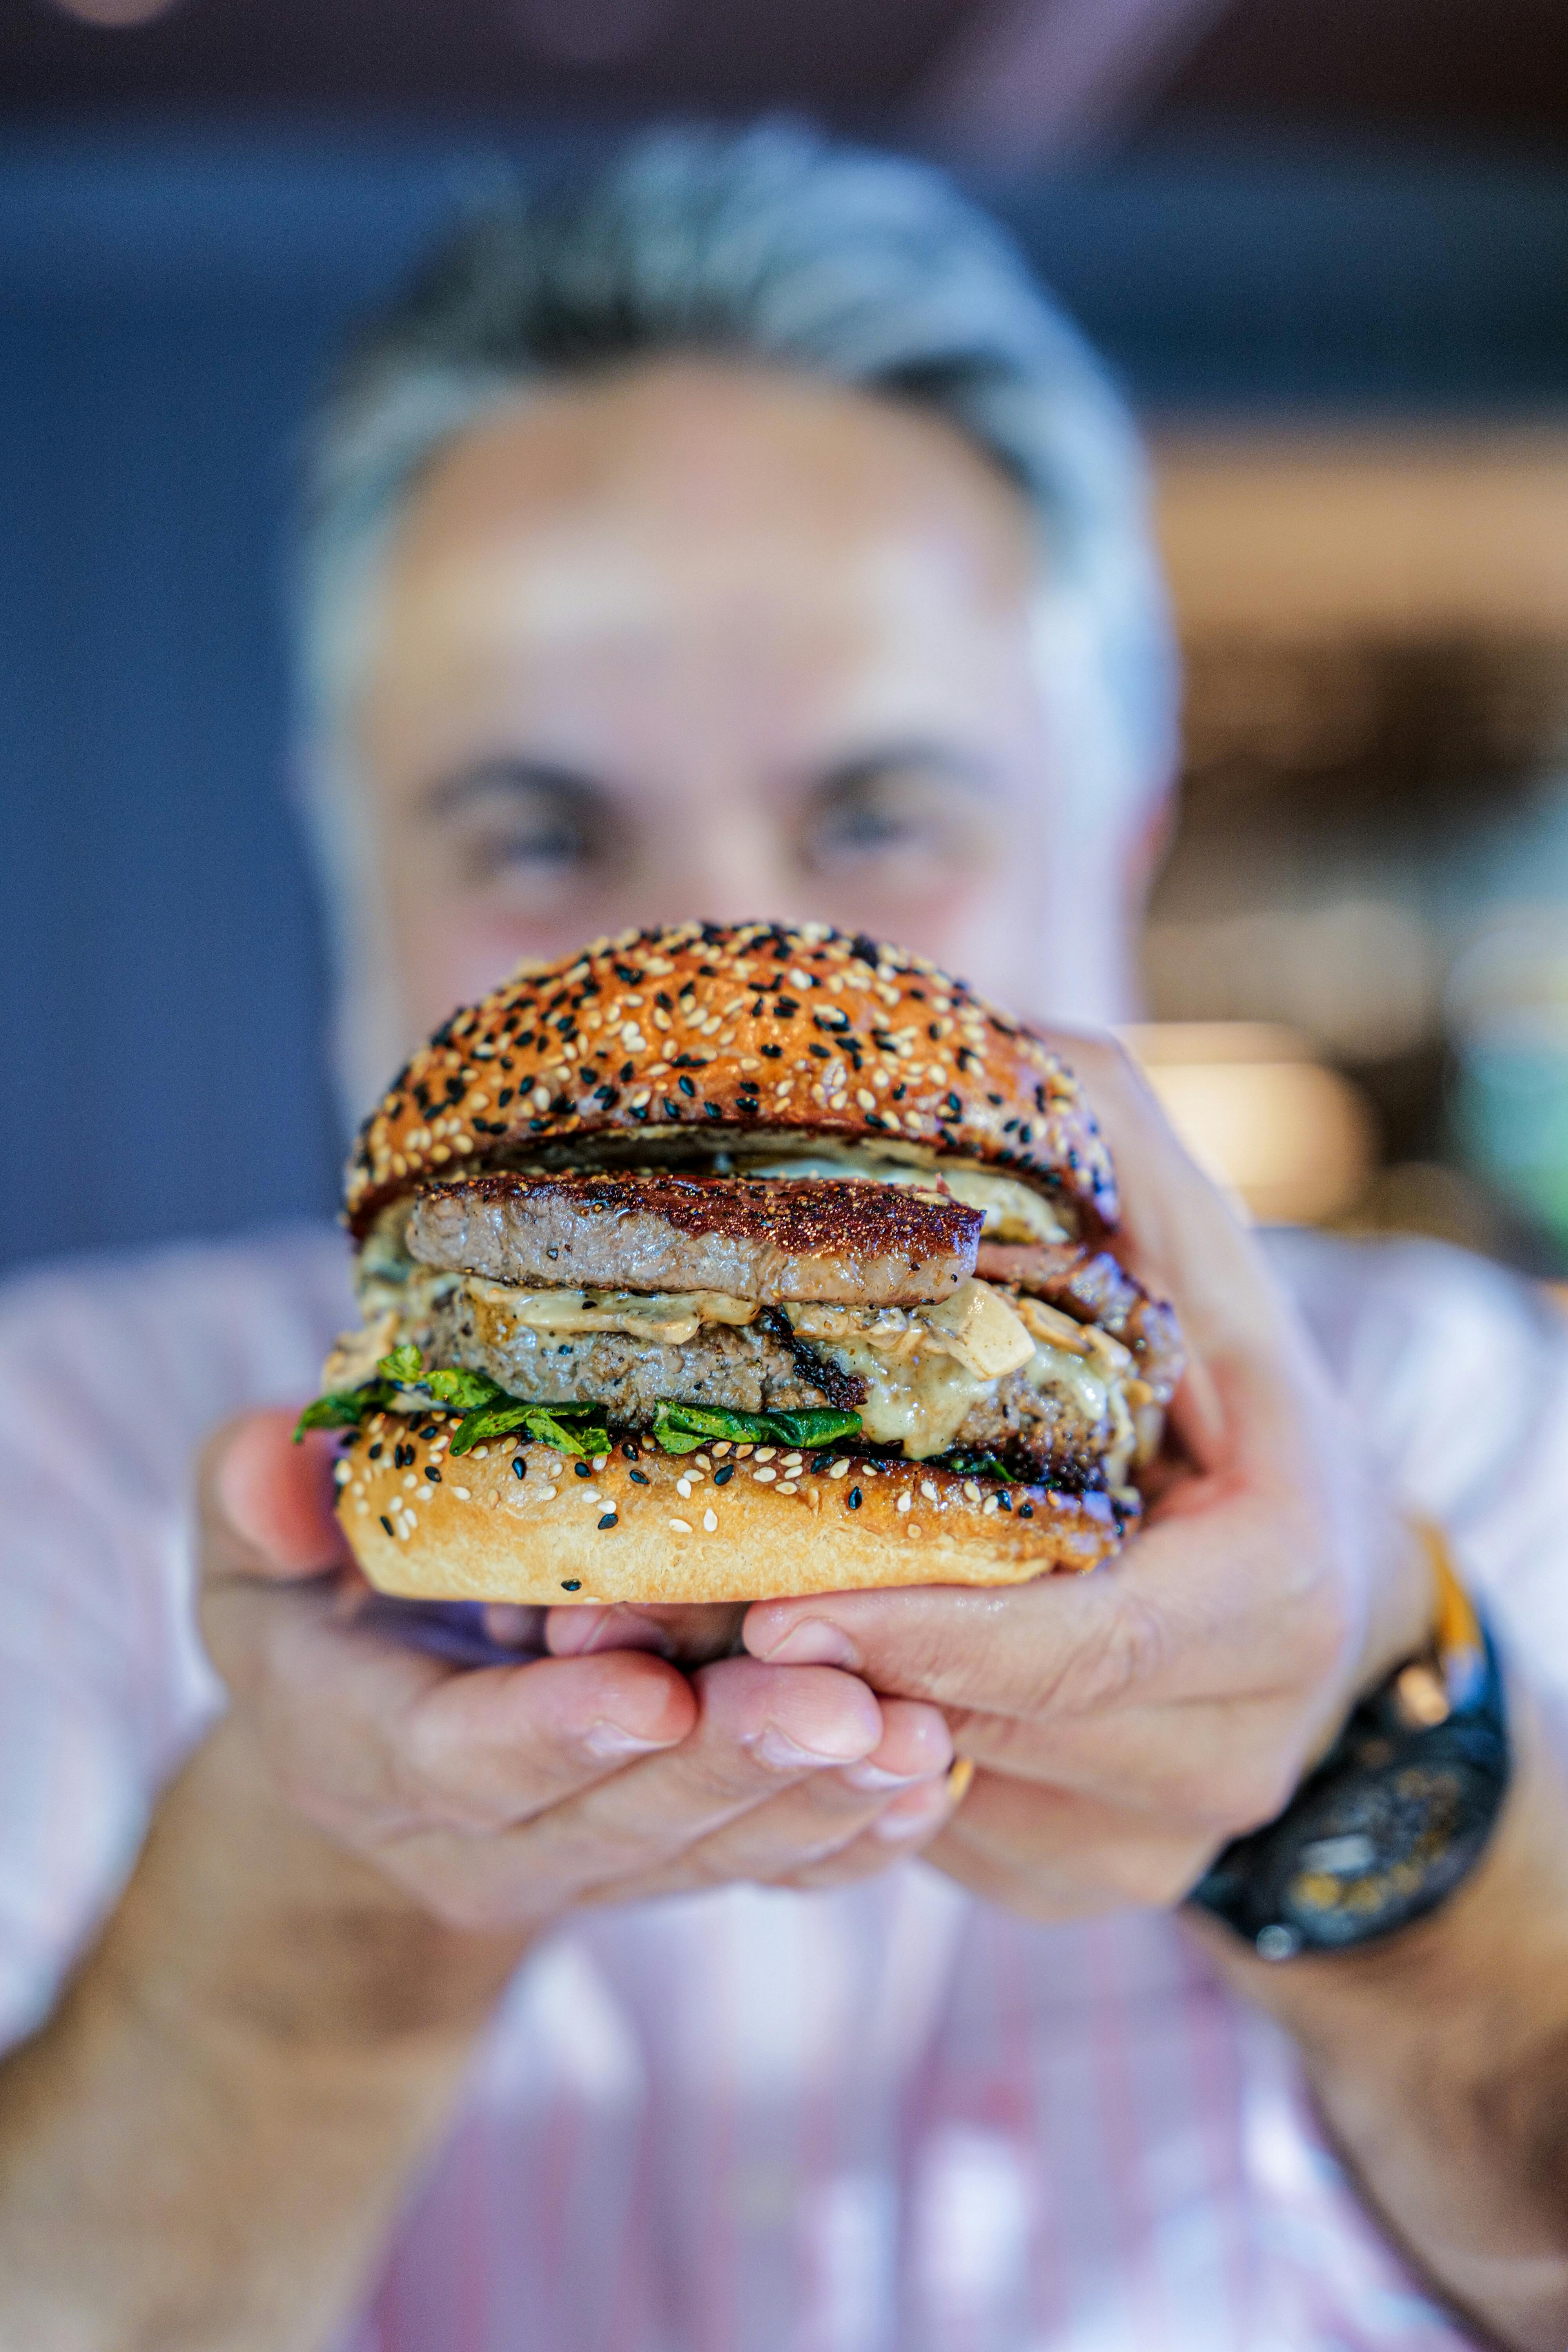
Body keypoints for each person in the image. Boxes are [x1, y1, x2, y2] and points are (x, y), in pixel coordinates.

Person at [3, 124, 1568, 2352]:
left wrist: (1373, 1769)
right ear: (336, 853)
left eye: (879, 811)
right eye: (536, 827)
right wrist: (305, 1931)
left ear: (1114, 832)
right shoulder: (45, 1466)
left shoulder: (1478, 1426)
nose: (714, 966)